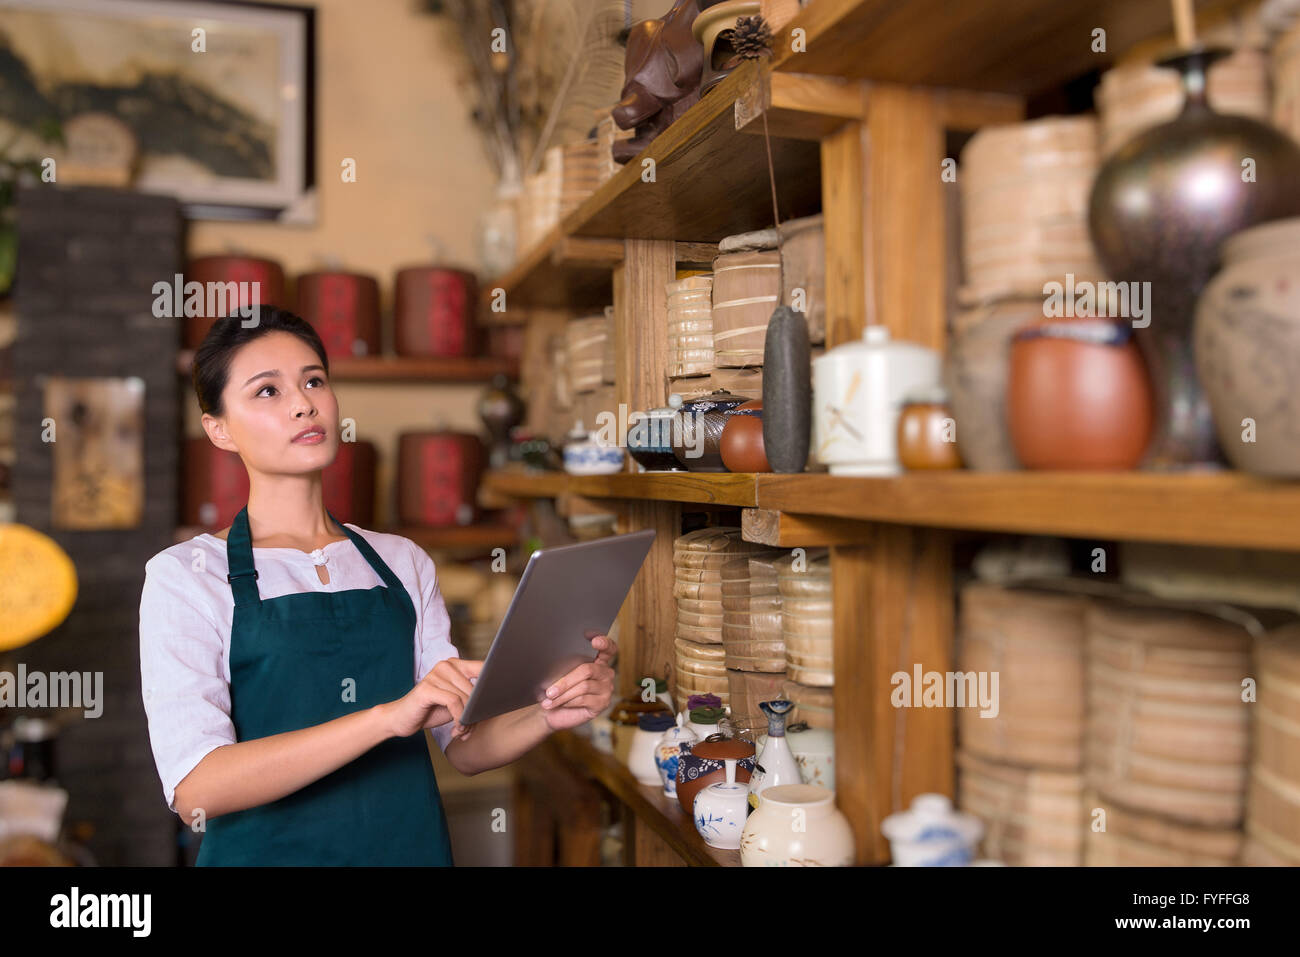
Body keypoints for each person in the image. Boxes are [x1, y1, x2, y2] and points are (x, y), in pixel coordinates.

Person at [139, 306, 617, 865]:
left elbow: (462, 747)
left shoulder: (401, 561)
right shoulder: (186, 575)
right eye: (267, 391)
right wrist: (386, 718)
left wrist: (548, 713)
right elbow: (197, 787)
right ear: (218, 428)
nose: (303, 403)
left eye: (313, 380)